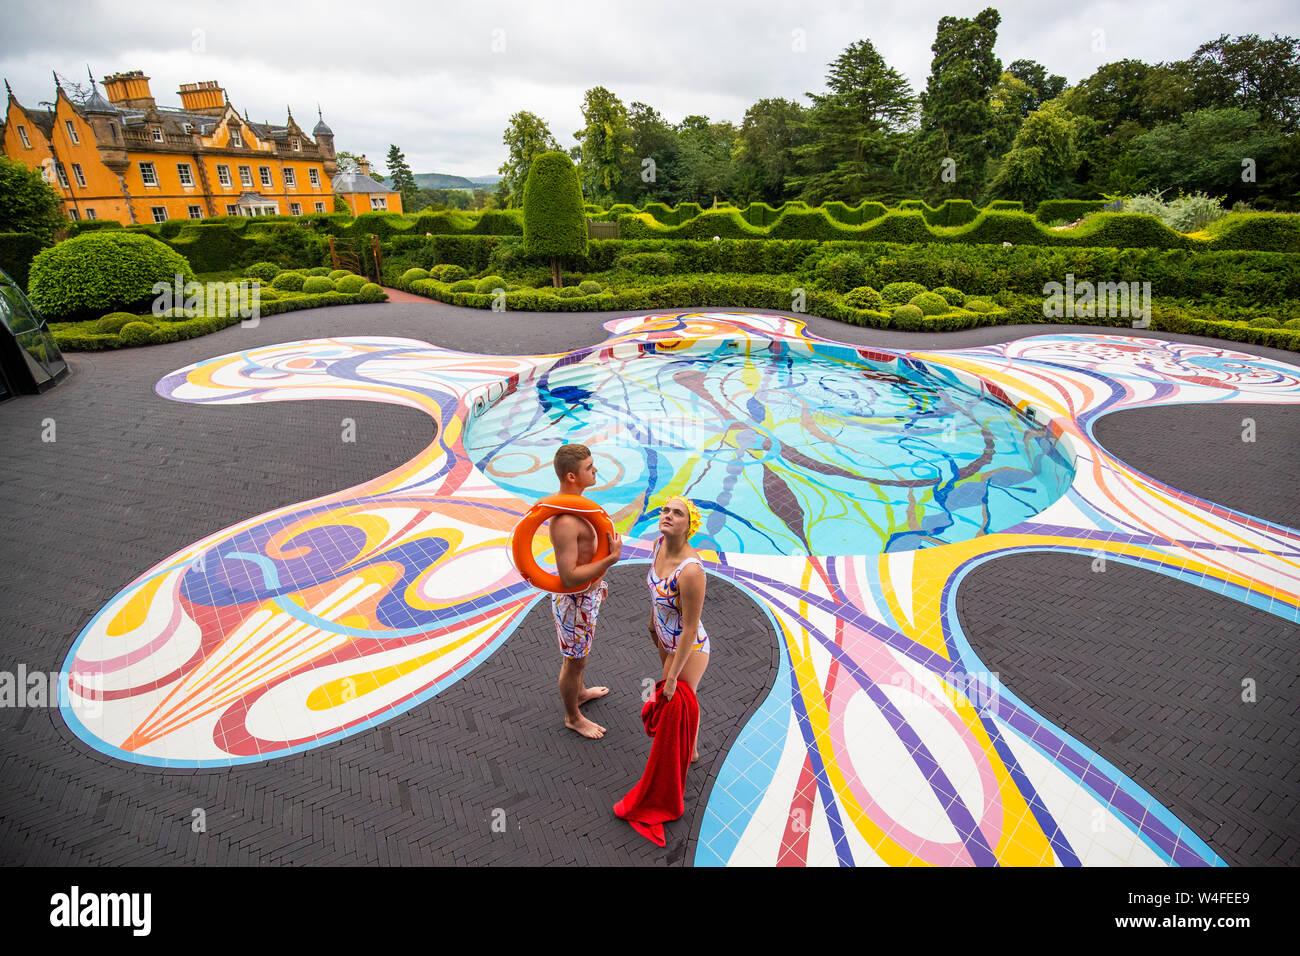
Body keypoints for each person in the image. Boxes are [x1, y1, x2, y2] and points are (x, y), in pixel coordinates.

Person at [549, 443, 623, 739]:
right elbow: (568, 577)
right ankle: (572, 716)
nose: (595, 471)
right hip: (575, 601)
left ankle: (579, 693)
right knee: (574, 660)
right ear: (571, 476)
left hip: (588, 598)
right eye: (589, 468)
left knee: (581, 655)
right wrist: (610, 560)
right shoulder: (566, 520)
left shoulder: (583, 508)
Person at [646, 495, 709, 761]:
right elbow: (656, 593)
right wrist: (652, 625)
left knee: (682, 700)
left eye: (677, 513)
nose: (668, 515)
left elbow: (691, 628)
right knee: (675, 701)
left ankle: (690, 752)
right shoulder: (658, 545)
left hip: (689, 645)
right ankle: (687, 749)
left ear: (688, 527)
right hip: (664, 637)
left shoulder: (691, 571)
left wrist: (672, 678)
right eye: (665, 510)